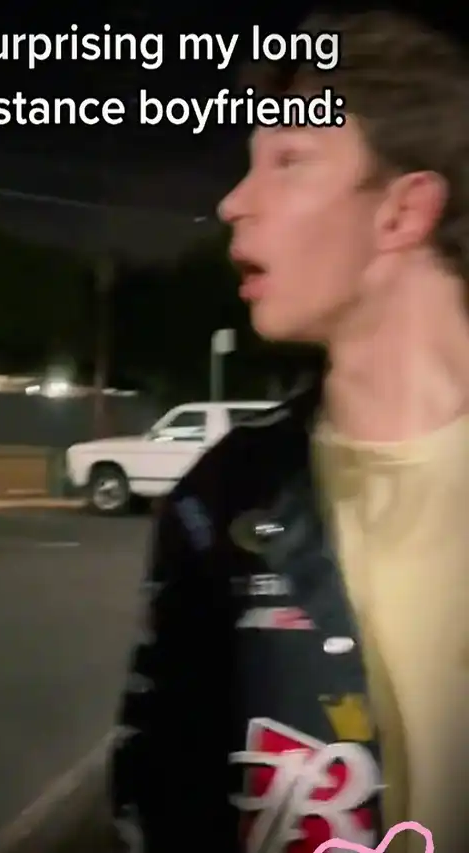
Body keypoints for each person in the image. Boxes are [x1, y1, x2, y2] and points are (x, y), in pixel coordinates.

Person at [109, 9, 469, 853]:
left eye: (290, 161)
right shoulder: (219, 501)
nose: (233, 202)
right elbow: (161, 797)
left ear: (402, 212)